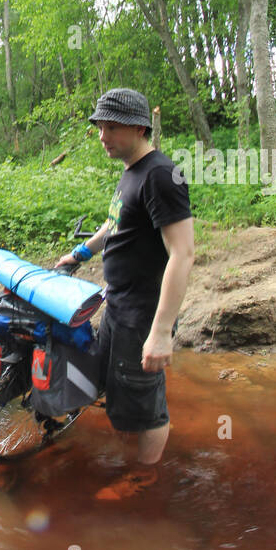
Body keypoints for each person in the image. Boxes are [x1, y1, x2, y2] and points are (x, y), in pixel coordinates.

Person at [51, 88, 195, 502]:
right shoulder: (133, 170)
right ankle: (130, 443)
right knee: (117, 383)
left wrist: (161, 331)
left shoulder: (163, 176)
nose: (102, 136)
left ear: (138, 126)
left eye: (111, 127)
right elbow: (115, 224)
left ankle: (144, 478)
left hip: (144, 314)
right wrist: (80, 253)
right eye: (100, 127)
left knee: (147, 400)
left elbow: (183, 255)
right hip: (118, 302)